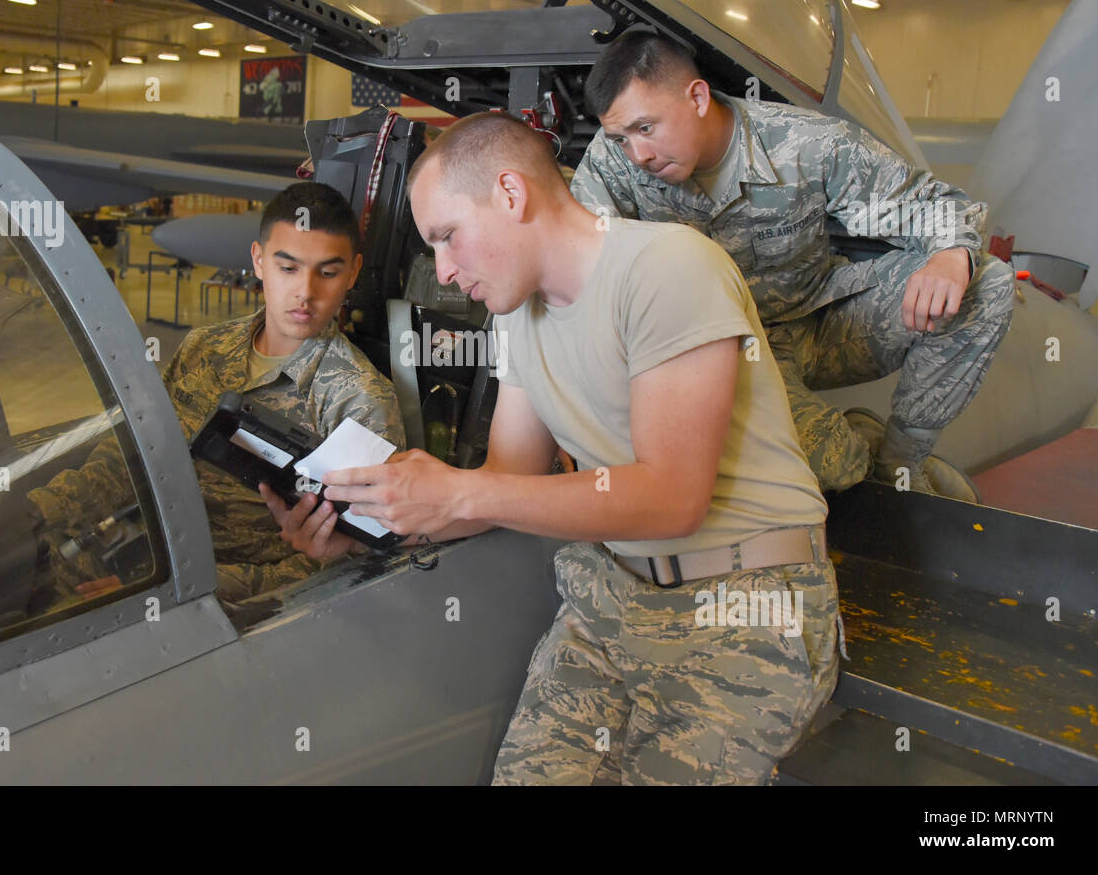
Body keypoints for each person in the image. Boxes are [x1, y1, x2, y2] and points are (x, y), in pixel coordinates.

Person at [321, 112, 839, 785]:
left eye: (448, 238)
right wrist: (374, 517)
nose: (443, 272)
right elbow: (507, 480)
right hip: (613, 596)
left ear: (511, 194)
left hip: (741, 608)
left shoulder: (666, 266)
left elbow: (672, 498)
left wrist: (459, 490)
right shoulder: (519, 317)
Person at [569, 30, 1015, 498]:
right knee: (834, 469)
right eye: (621, 138)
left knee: (987, 284)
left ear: (697, 97)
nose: (638, 155)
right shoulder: (612, 163)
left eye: (646, 128)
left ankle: (899, 463)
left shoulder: (805, 142)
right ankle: (853, 443)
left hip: (821, 319)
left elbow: (931, 204)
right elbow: (577, 263)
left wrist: (948, 253)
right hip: (727, 351)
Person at [27, 181, 404, 603]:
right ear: (259, 261)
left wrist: (173, 591)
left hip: (230, 602)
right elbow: (136, 455)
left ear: (352, 272)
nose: (306, 292)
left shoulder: (359, 400)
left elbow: (344, 564)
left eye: (328, 273)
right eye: (288, 268)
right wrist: (35, 515)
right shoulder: (203, 348)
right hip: (149, 551)